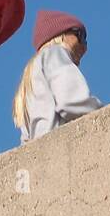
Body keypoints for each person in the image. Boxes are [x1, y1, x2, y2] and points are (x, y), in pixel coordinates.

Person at [12, 9, 101, 144]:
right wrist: (106, 113)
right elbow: (72, 102)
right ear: (61, 35)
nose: (84, 47)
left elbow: (25, 138)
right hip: (60, 146)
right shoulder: (55, 53)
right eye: (80, 36)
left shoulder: (29, 74)